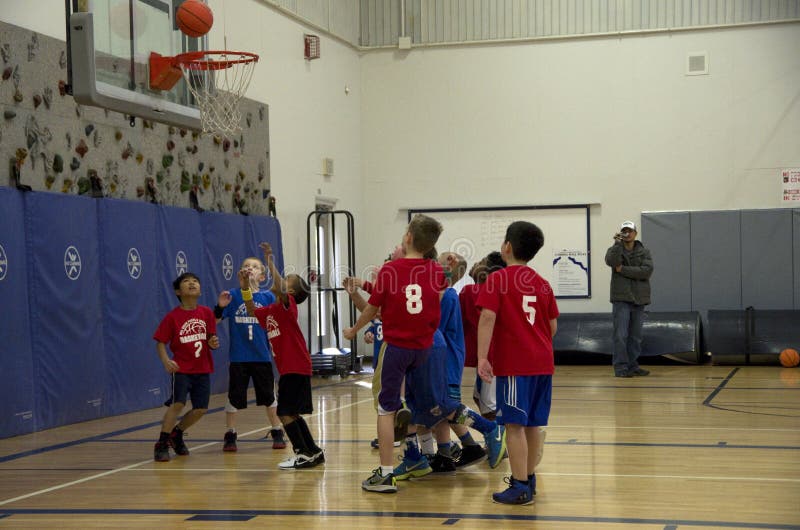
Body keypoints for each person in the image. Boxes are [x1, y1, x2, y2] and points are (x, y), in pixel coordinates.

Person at [343, 214, 448, 493]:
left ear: (408, 237)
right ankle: (419, 455)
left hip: (398, 347)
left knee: (385, 409)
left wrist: (354, 330)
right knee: (413, 402)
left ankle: (386, 474)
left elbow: (371, 308)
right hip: (423, 347)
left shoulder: (390, 270)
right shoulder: (437, 271)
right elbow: (434, 304)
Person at [477, 221, 559, 505]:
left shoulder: (497, 279)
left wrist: (482, 357)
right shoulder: (542, 283)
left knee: (513, 426)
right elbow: (553, 327)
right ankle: (529, 478)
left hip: (516, 364)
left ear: (507, 247)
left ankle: (520, 484)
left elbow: (487, 318)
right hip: (543, 363)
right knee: (533, 424)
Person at [243, 242, 323, 470]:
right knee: (291, 412)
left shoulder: (289, 308)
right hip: (290, 367)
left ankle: (302, 453)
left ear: (290, 292)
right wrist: (245, 287)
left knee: (284, 412)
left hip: (295, 366)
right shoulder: (271, 310)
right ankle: (313, 452)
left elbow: (278, 285)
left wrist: (269, 260)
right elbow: (250, 310)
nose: (281, 280)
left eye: (287, 279)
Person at [215, 255, 286, 452]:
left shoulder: (268, 297)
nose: (250, 268)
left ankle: (277, 429)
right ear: (240, 272)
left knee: (269, 397)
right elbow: (215, 321)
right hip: (239, 357)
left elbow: (276, 323)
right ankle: (230, 433)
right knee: (234, 397)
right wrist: (219, 307)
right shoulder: (232, 295)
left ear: (262, 276)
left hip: (261, 356)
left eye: (254, 267)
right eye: (246, 265)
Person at [153, 272, 220, 462]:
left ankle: (177, 433)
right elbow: (159, 341)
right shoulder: (173, 317)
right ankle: (162, 442)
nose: (192, 283)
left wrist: (213, 343)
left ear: (199, 289)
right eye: (186, 281)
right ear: (178, 291)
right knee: (178, 404)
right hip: (181, 369)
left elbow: (211, 340)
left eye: (195, 281)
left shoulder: (206, 313)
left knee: (201, 409)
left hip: (203, 368)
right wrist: (166, 360)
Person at [604, 220, 654, 378]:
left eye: (630, 231)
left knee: (636, 337)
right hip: (621, 299)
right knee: (620, 335)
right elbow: (611, 262)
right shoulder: (614, 249)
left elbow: (646, 271)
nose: (627, 233)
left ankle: (633, 366)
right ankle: (620, 368)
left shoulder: (645, 252)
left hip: (639, 299)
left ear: (635, 233)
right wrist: (616, 244)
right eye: (624, 231)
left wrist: (623, 270)